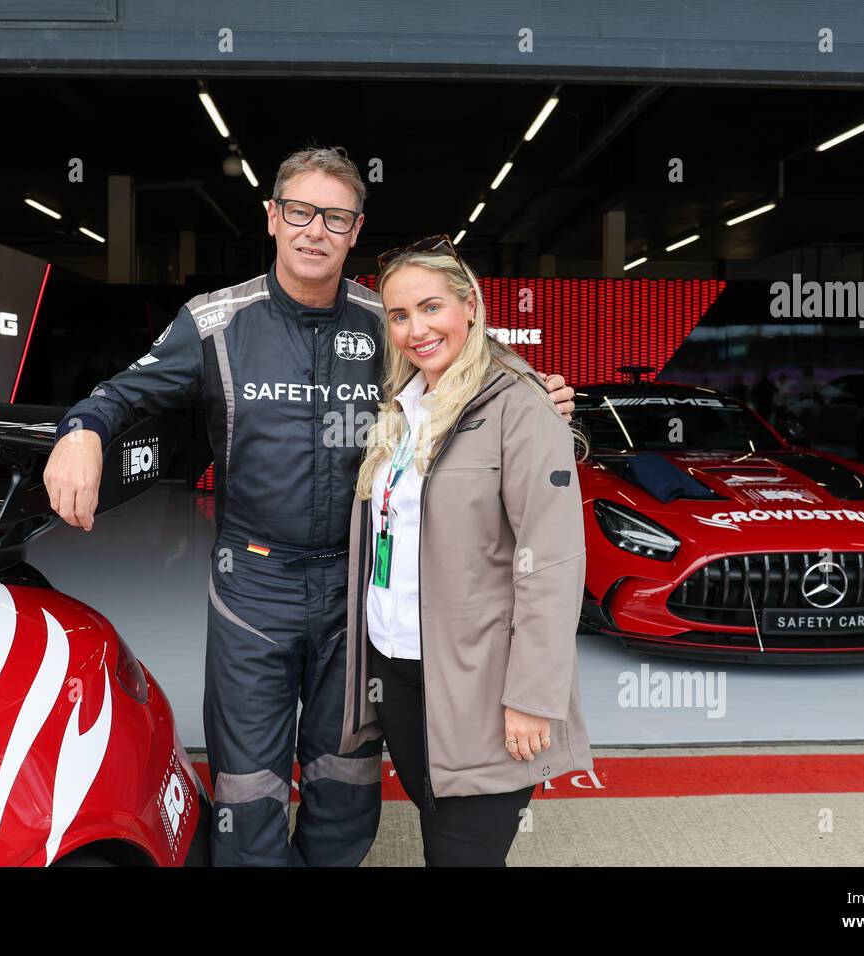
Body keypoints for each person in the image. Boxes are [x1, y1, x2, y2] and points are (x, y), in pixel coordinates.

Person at [42, 147, 576, 866]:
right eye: (299, 211)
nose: (314, 230)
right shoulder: (214, 322)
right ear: (272, 217)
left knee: (346, 774)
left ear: (355, 230)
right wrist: (81, 432)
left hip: (355, 594)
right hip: (251, 587)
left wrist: (543, 393)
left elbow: (474, 368)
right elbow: (122, 393)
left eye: (335, 216)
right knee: (249, 781)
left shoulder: (385, 323)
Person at [338, 236, 591, 866]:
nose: (416, 329)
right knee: (439, 835)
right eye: (399, 316)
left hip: (483, 685)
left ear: (470, 306)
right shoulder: (404, 409)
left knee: (462, 855)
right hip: (399, 672)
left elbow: (552, 562)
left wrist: (533, 697)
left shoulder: (520, 406)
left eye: (431, 308)